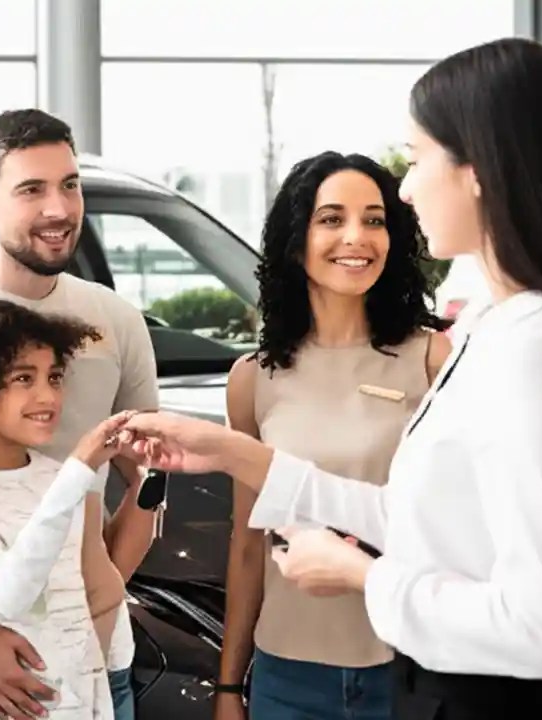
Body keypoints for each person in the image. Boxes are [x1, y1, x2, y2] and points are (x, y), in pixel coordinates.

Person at [122, 37, 542, 720]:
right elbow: (415, 515)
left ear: (479, 171)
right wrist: (227, 450)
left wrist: (361, 577)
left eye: (417, 159)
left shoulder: (539, 352)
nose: (405, 188)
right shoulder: (496, 332)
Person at [0, 108, 159, 720]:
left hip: (107, 660)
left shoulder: (117, 321)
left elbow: (150, 476)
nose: (59, 208)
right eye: (31, 189)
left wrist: (100, 593)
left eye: (70, 185)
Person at [215, 151, 451, 720]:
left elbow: (461, 526)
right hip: (287, 677)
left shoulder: (432, 359)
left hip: (407, 671)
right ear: (297, 240)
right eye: (331, 219)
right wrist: (228, 688)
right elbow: (249, 547)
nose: (357, 237)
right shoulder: (253, 380)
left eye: (374, 220)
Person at [0, 300, 141, 719]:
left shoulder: (56, 474)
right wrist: (79, 471)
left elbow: (79, 607)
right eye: (23, 378)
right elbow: (7, 598)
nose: (48, 395)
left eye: (54, 377)